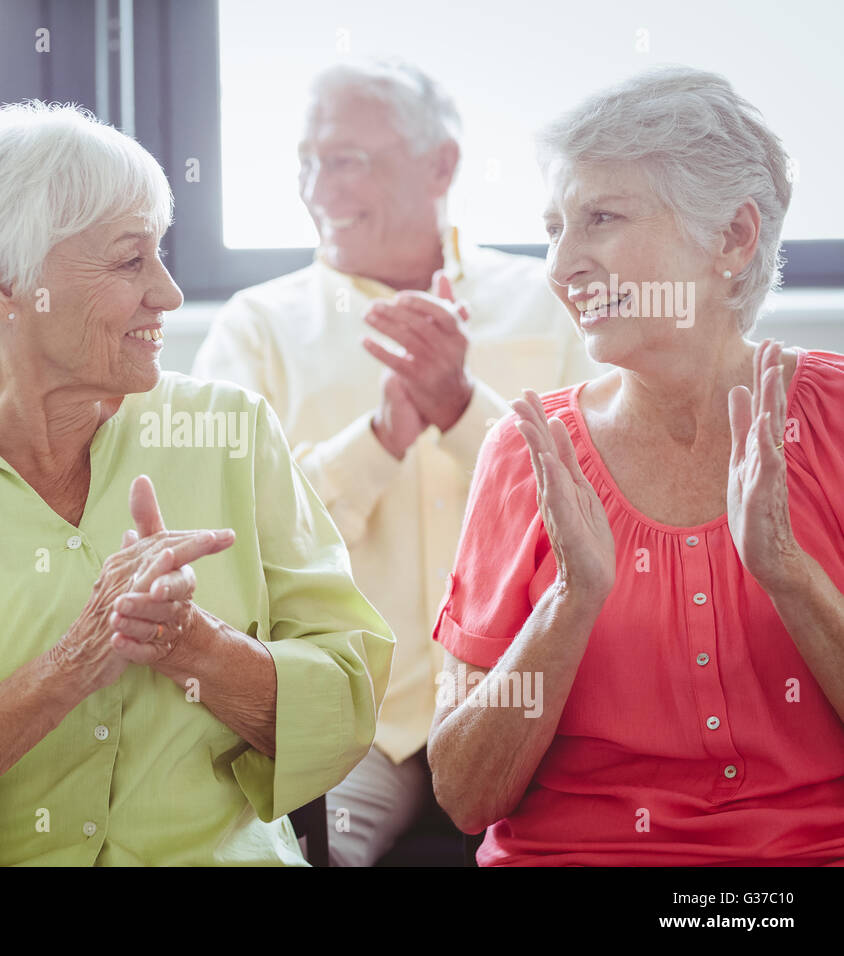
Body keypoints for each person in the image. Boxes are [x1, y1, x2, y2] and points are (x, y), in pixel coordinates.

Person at [0, 101, 394, 867]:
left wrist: (197, 648)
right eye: (130, 261)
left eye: (160, 256)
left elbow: (347, 702)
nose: (168, 293)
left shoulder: (230, 431)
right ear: (1, 283)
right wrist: (71, 666)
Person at [428, 66, 844, 865]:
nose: (561, 266)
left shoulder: (833, 421)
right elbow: (464, 794)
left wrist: (788, 572)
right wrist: (570, 602)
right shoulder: (526, 453)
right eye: (555, 227)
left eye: (602, 218)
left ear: (733, 237)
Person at [191, 59, 600, 866]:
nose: (318, 187)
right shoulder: (257, 328)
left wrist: (460, 410)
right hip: (351, 722)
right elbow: (225, 535)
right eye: (306, 162)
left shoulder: (551, 302)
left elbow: (604, 505)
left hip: (536, 704)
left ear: (442, 165)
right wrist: (377, 442)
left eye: (346, 159)